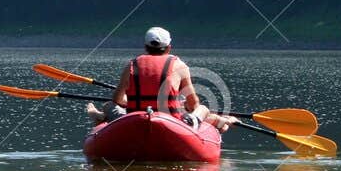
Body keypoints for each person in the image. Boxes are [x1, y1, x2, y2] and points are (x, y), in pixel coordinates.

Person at [86, 27, 233, 131]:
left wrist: (127, 100)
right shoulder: (179, 66)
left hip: (134, 117)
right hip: (172, 120)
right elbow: (194, 104)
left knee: (108, 105)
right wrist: (183, 106)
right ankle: (222, 121)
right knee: (203, 109)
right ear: (169, 48)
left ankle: (100, 116)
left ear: (145, 47)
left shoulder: (131, 65)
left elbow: (117, 100)